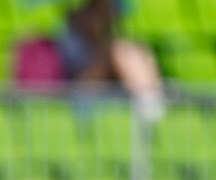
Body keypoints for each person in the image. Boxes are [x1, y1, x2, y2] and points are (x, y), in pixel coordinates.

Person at [12, 0, 164, 119]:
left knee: (131, 51)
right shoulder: (62, 42)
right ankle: (152, 107)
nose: (108, 17)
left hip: (101, 98)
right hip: (75, 101)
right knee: (120, 51)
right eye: (99, 9)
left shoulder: (106, 41)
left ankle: (153, 104)